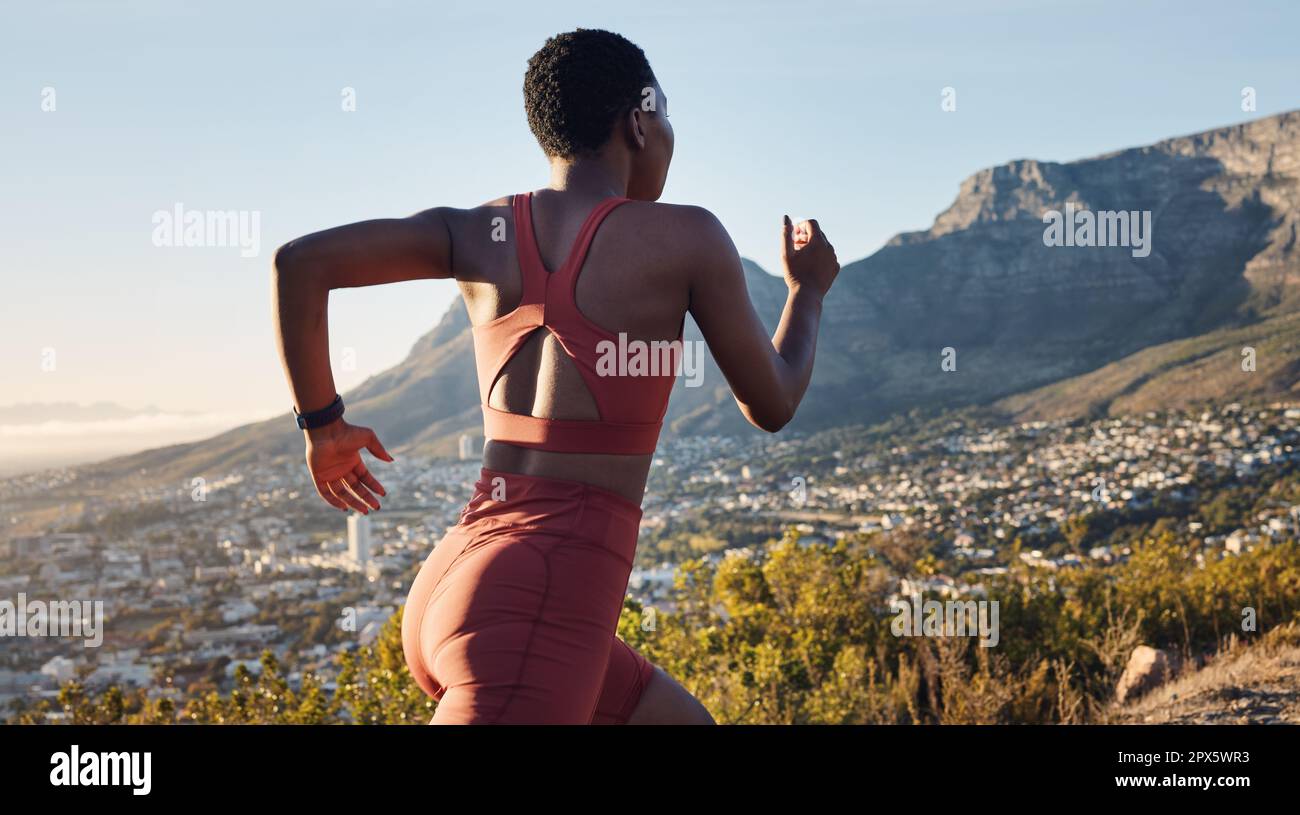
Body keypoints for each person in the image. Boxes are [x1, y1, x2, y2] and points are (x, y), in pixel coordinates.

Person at [272, 28, 839, 724]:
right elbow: (774, 400)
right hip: (536, 605)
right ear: (638, 119)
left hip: (459, 581)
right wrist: (807, 292)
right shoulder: (687, 236)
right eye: (665, 114)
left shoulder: (479, 231)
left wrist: (322, 428)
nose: (669, 134)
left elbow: (300, 264)